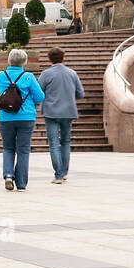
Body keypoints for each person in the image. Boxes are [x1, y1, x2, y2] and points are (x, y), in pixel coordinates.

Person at [0, 48, 45, 191]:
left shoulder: (1, 75)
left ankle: (8, 176)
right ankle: (21, 183)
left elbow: (1, 92)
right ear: (25, 62)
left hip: (6, 116)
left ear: (9, 60)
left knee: (8, 148)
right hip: (26, 117)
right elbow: (40, 97)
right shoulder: (29, 76)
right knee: (23, 149)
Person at [38, 46, 85, 184]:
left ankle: (58, 175)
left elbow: (39, 93)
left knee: (53, 143)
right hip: (68, 112)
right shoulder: (72, 73)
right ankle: (64, 172)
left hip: (51, 112)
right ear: (63, 58)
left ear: (49, 59)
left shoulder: (45, 74)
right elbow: (80, 93)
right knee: (66, 142)